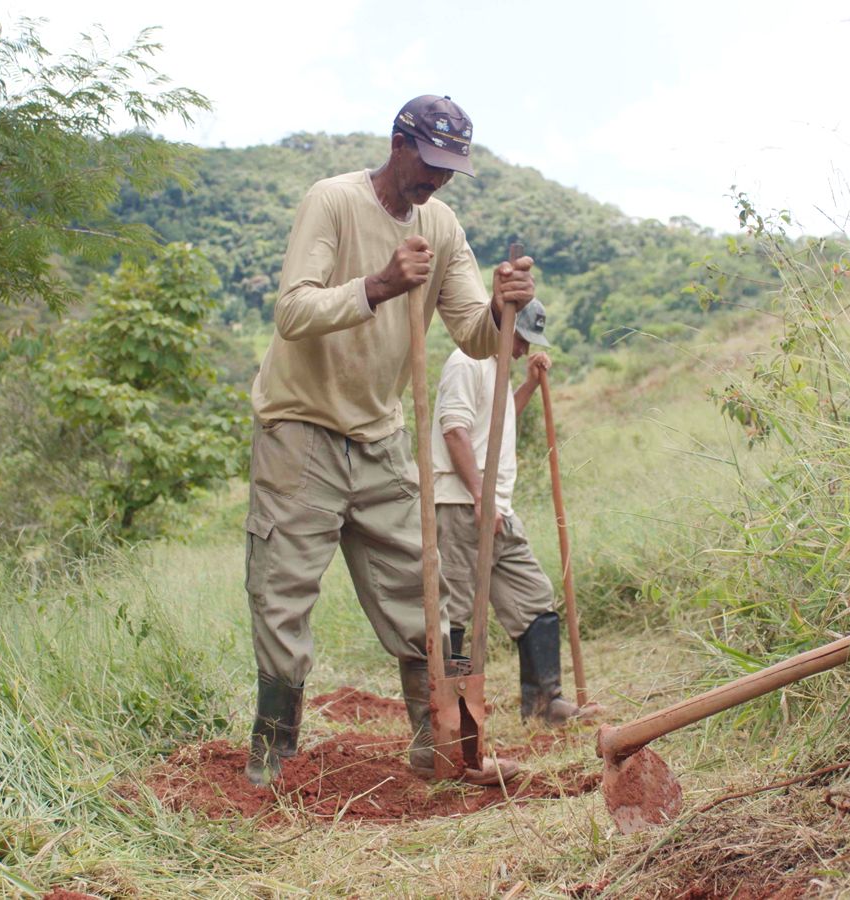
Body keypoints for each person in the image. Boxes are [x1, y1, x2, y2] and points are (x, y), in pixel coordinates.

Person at [244, 94, 530, 786]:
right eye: (427, 164)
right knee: (283, 594)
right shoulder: (333, 202)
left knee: (421, 592)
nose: (433, 181)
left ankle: (443, 746)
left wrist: (503, 306)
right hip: (300, 431)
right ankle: (272, 759)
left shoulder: (442, 225)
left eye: (448, 171)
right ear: (398, 143)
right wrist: (376, 286)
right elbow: (291, 310)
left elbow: (474, 334)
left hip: (379, 438)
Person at [431, 298, 601, 726]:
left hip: (496, 509)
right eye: (522, 339)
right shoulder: (466, 362)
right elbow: (455, 432)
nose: (525, 348)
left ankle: (547, 704)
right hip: (459, 507)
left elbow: (499, 422)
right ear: (503, 327)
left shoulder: (499, 368)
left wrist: (527, 383)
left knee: (536, 599)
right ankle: (453, 718)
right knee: (454, 615)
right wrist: (478, 496)